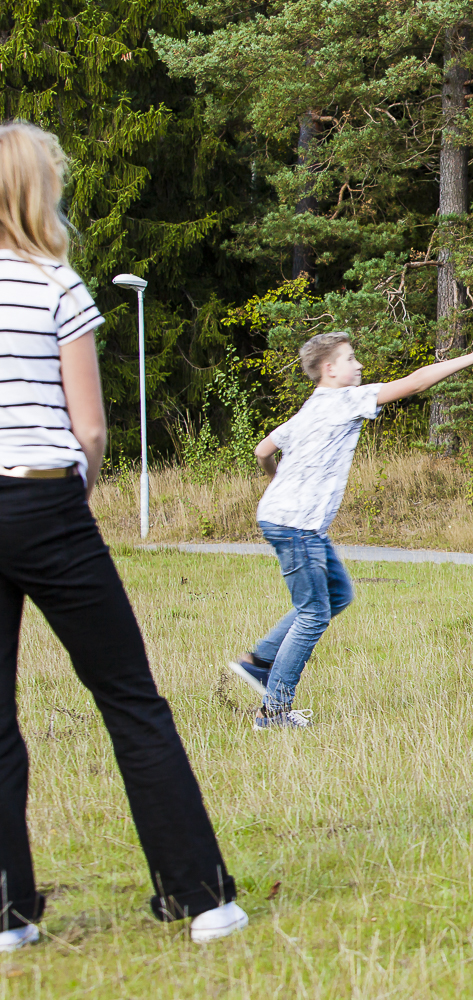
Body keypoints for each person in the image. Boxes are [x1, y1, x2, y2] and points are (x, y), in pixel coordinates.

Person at [0, 120, 247, 948]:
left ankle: (7, 916)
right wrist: (79, 498)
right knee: (131, 701)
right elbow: (92, 429)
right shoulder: (57, 284)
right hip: (46, 504)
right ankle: (201, 897)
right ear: (41, 189)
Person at [226, 328, 473, 728]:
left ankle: (258, 662)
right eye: (351, 359)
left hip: (289, 518)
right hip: (296, 523)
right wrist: (471, 358)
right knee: (314, 614)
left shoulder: (311, 408)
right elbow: (413, 383)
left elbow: (263, 450)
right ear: (329, 369)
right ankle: (274, 711)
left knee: (337, 594)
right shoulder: (342, 401)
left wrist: (277, 482)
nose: (358, 365)